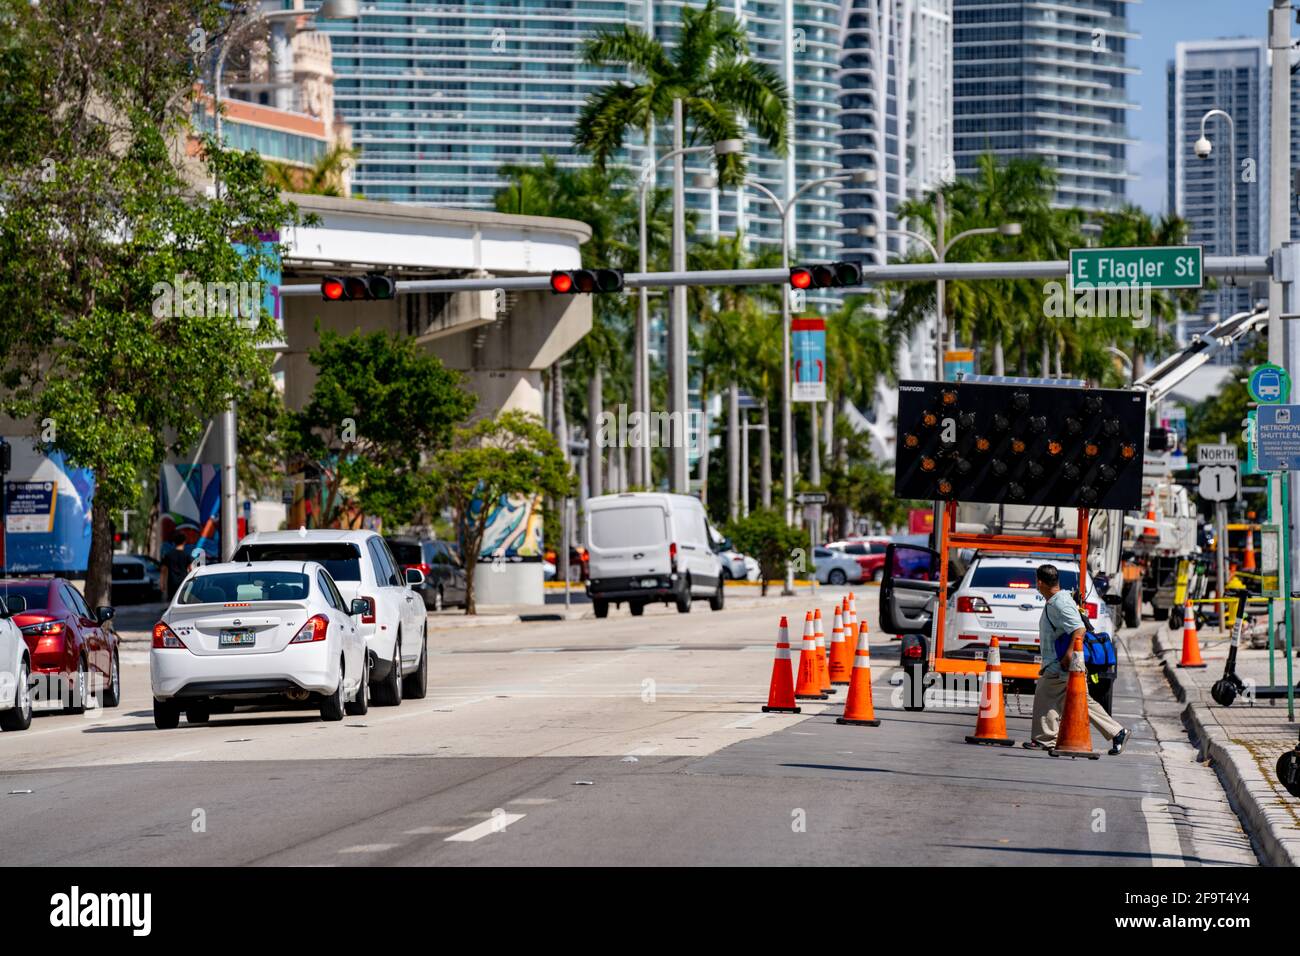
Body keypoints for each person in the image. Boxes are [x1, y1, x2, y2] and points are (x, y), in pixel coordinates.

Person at [1025, 563, 1129, 755]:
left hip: (1063, 663)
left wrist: (1069, 654)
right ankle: (1116, 732)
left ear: (1040, 582)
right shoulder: (1057, 600)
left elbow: (1079, 628)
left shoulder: (1059, 602)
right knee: (1071, 699)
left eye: (1036, 582)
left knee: (1062, 697)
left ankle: (1045, 739)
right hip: (1060, 663)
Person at [159, 531, 192, 602]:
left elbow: (163, 570)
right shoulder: (186, 555)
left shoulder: (168, 555)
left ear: (174, 542)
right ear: (184, 542)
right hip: (183, 582)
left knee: (172, 602)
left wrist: (162, 584)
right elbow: (191, 569)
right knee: (182, 602)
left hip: (171, 583)